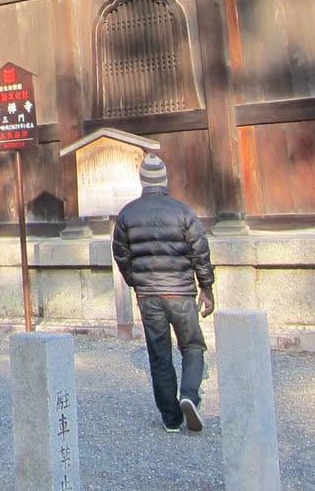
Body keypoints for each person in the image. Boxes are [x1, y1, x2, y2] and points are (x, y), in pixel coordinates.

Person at [112, 153, 216, 434]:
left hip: (148, 295)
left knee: (159, 355)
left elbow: (121, 255)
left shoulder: (127, 214)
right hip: (180, 291)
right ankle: (189, 395)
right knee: (192, 346)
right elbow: (200, 252)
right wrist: (206, 288)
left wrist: (136, 283)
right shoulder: (183, 211)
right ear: (164, 180)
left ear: (143, 181)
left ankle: (171, 418)